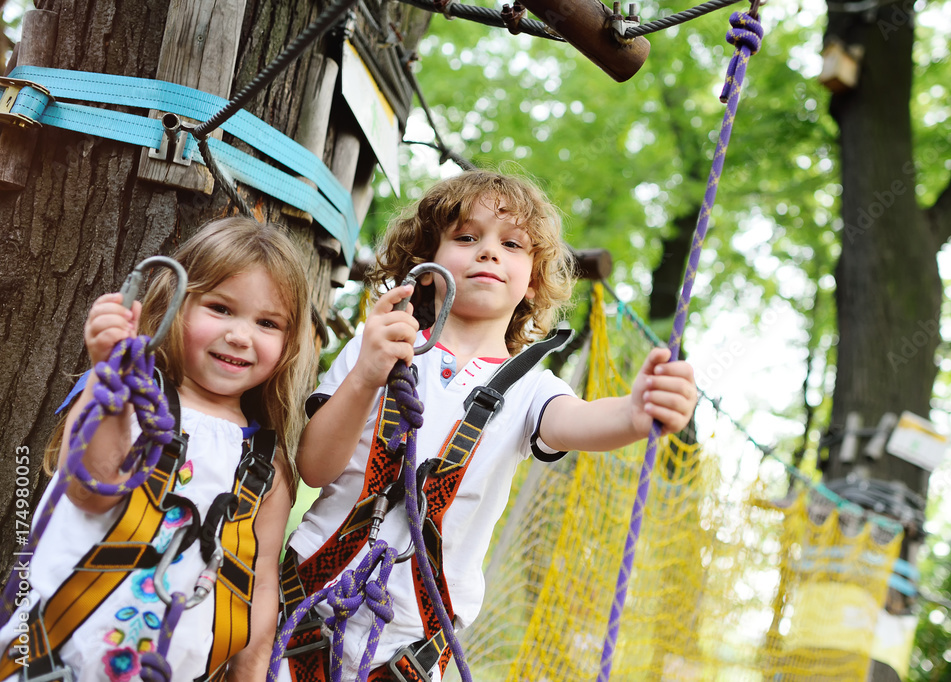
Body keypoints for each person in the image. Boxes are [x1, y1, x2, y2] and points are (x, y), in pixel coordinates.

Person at [278, 170, 698, 682]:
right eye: (466, 237)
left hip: (405, 653)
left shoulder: (530, 390)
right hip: (301, 619)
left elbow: (581, 420)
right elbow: (315, 468)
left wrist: (635, 413)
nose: (488, 252)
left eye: (512, 244)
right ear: (425, 266)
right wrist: (368, 373)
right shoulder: (378, 345)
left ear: (534, 279)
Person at [0, 217, 313, 682]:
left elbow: (260, 581)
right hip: (53, 661)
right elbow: (91, 488)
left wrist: (249, 673)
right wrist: (109, 372)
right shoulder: (124, 397)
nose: (241, 335)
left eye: (267, 323)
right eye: (221, 308)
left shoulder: (265, 465)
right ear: (176, 305)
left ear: (288, 343)